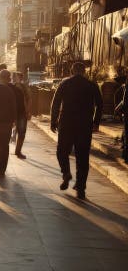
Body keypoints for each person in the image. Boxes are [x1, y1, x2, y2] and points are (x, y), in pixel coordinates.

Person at [50, 62, 103, 199]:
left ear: (72, 70)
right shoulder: (92, 85)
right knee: (82, 156)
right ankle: (81, 187)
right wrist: (96, 123)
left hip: (66, 123)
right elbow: (100, 104)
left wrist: (53, 120)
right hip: (84, 125)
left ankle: (66, 172)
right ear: (84, 71)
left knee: (62, 151)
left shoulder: (65, 83)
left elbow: (55, 102)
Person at [12, 71, 31, 158]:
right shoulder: (10, 87)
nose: (14, 78)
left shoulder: (24, 87)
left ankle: (18, 151)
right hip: (11, 113)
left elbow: (28, 99)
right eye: (13, 77)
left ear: (21, 78)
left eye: (16, 77)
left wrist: (28, 112)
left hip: (22, 113)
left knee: (21, 132)